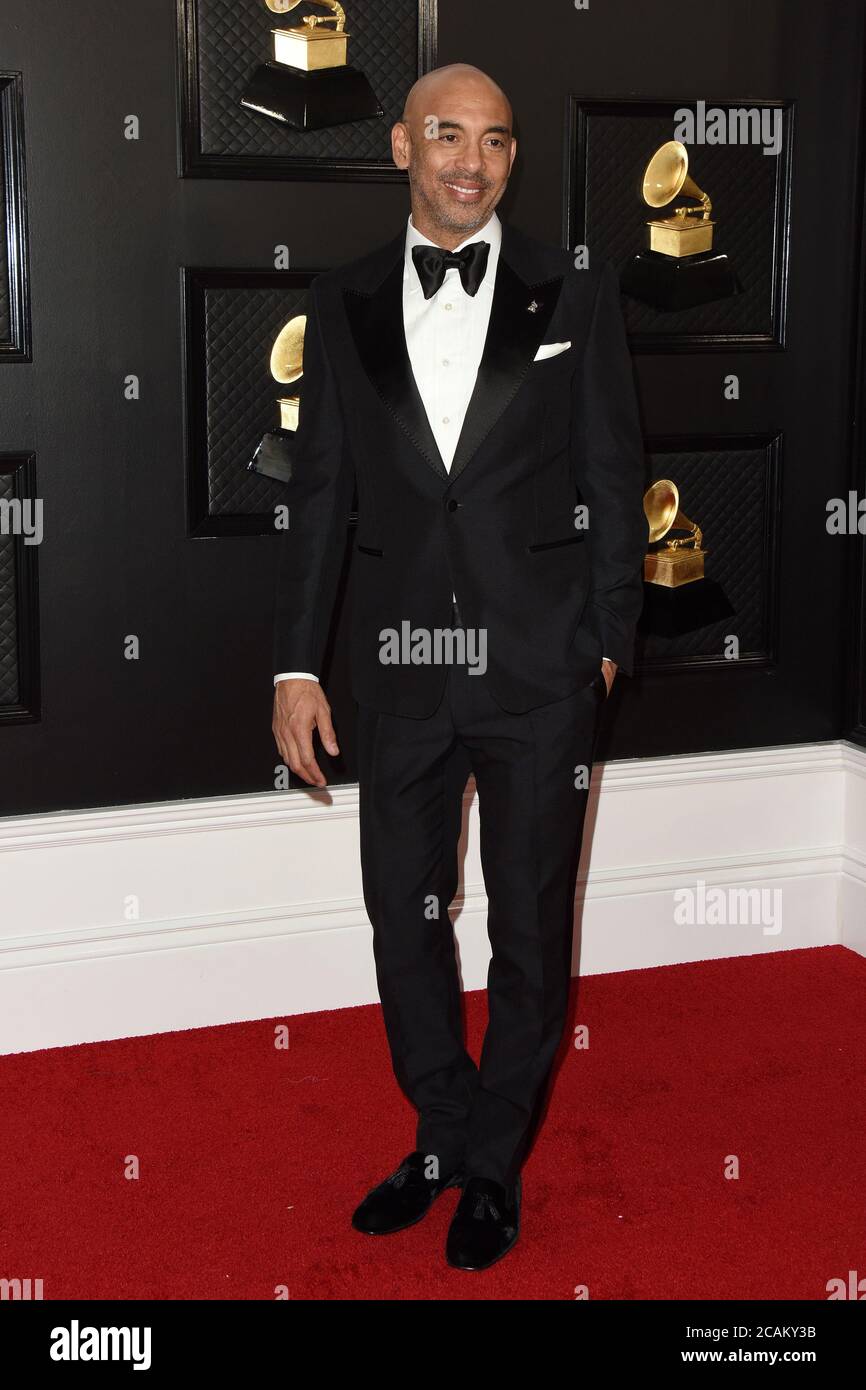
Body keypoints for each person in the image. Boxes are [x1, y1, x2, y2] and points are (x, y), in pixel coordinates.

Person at [272, 62, 646, 1271]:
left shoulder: (572, 291)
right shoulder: (339, 301)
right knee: (403, 917)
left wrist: (603, 646)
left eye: (493, 140)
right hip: (399, 669)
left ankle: (492, 1163)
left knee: (531, 933)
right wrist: (294, 667)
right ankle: (437, 1133)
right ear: (398, 148)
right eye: (445, 133)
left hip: (540, 669)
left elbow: (610, 472)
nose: (470, 160)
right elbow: (323, 495)